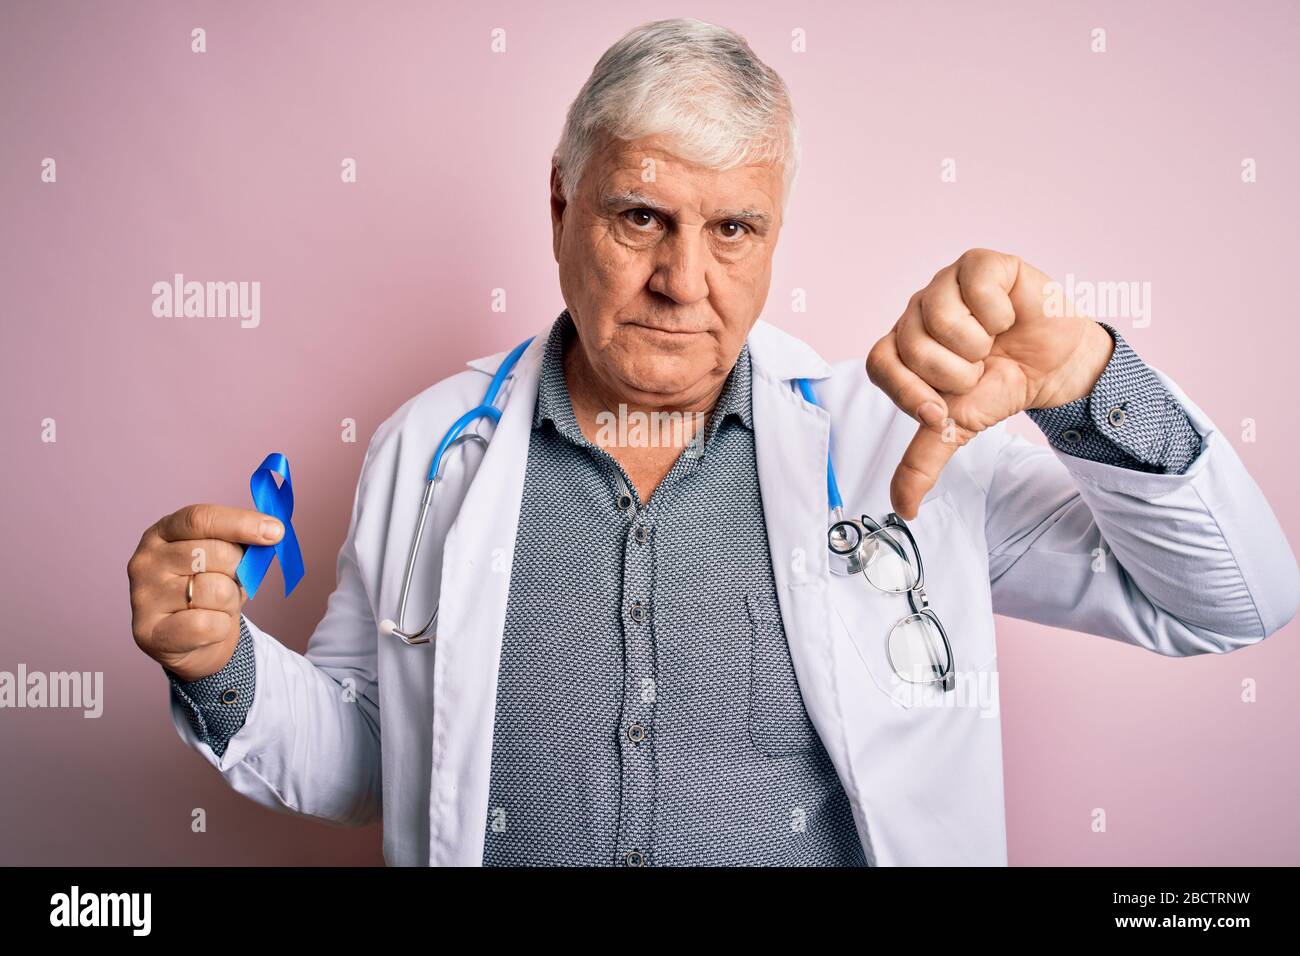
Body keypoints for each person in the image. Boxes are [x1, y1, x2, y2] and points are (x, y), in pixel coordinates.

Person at [126, 18, 1297, 866]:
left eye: (733, 228)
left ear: (773, 231)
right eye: (641, 215)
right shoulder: (429, 453)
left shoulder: (899, 441)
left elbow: (1233, 600)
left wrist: (1086, 378)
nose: (684, 280)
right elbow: (376, 759)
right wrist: (220, 665)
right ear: (559, 206)